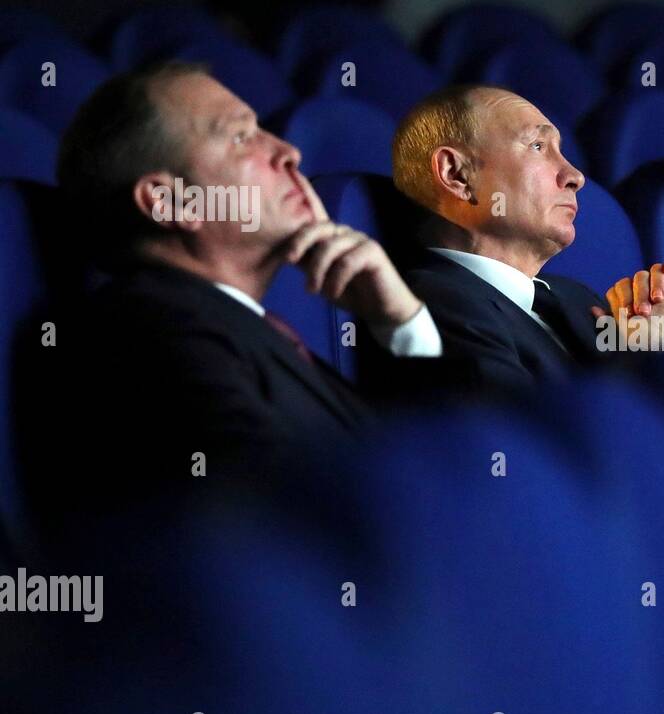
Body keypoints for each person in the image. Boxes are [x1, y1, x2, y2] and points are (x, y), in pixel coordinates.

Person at [32, 62, 456, 528]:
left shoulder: (227, 324)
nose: (289, 153)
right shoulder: (152, 333)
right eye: (241, 137)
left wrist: (402, 324)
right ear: (171, 201)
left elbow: (434, 458)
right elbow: (297, 518)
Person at [391, 85, 664, 395]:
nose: (575, 176)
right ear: (457, 175)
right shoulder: (424, 309)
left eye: (561, 150)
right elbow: (527, 445)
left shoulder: (575, 297)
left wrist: (662, 329)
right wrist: (652, 354)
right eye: (537, 146)